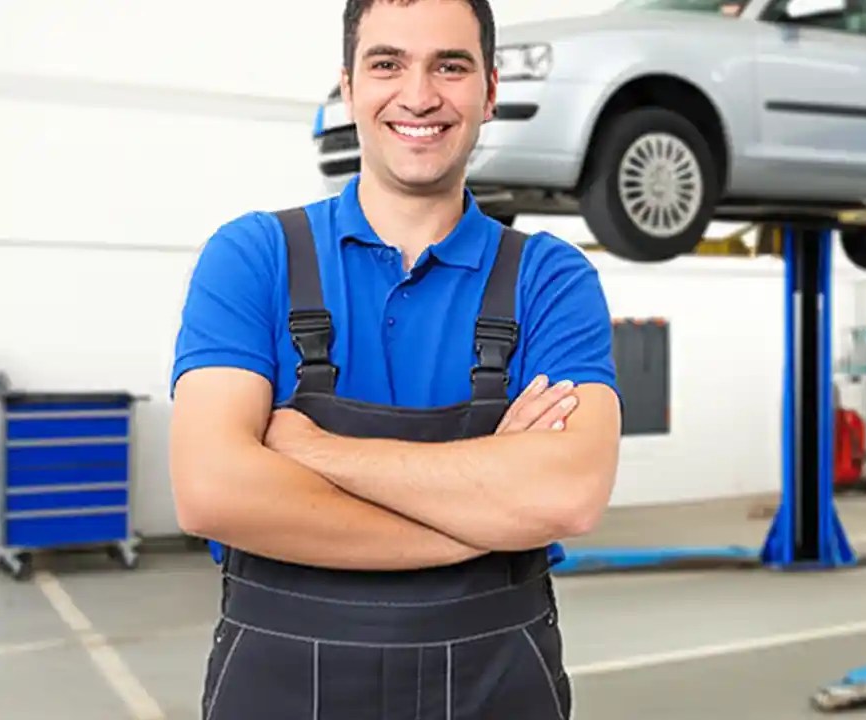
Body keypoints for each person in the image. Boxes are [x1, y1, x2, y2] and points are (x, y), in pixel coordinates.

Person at [167, 0, 622, 717]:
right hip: (279, 682)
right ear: (348, 87)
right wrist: (480, 517)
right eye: (387, 64)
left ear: (490, 91)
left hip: (496, 681)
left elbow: (567, 495)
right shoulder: (254, 257)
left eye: (451, 65)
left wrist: (314, 451)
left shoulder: (550, 279)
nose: (419, 95)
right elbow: (210, 491)